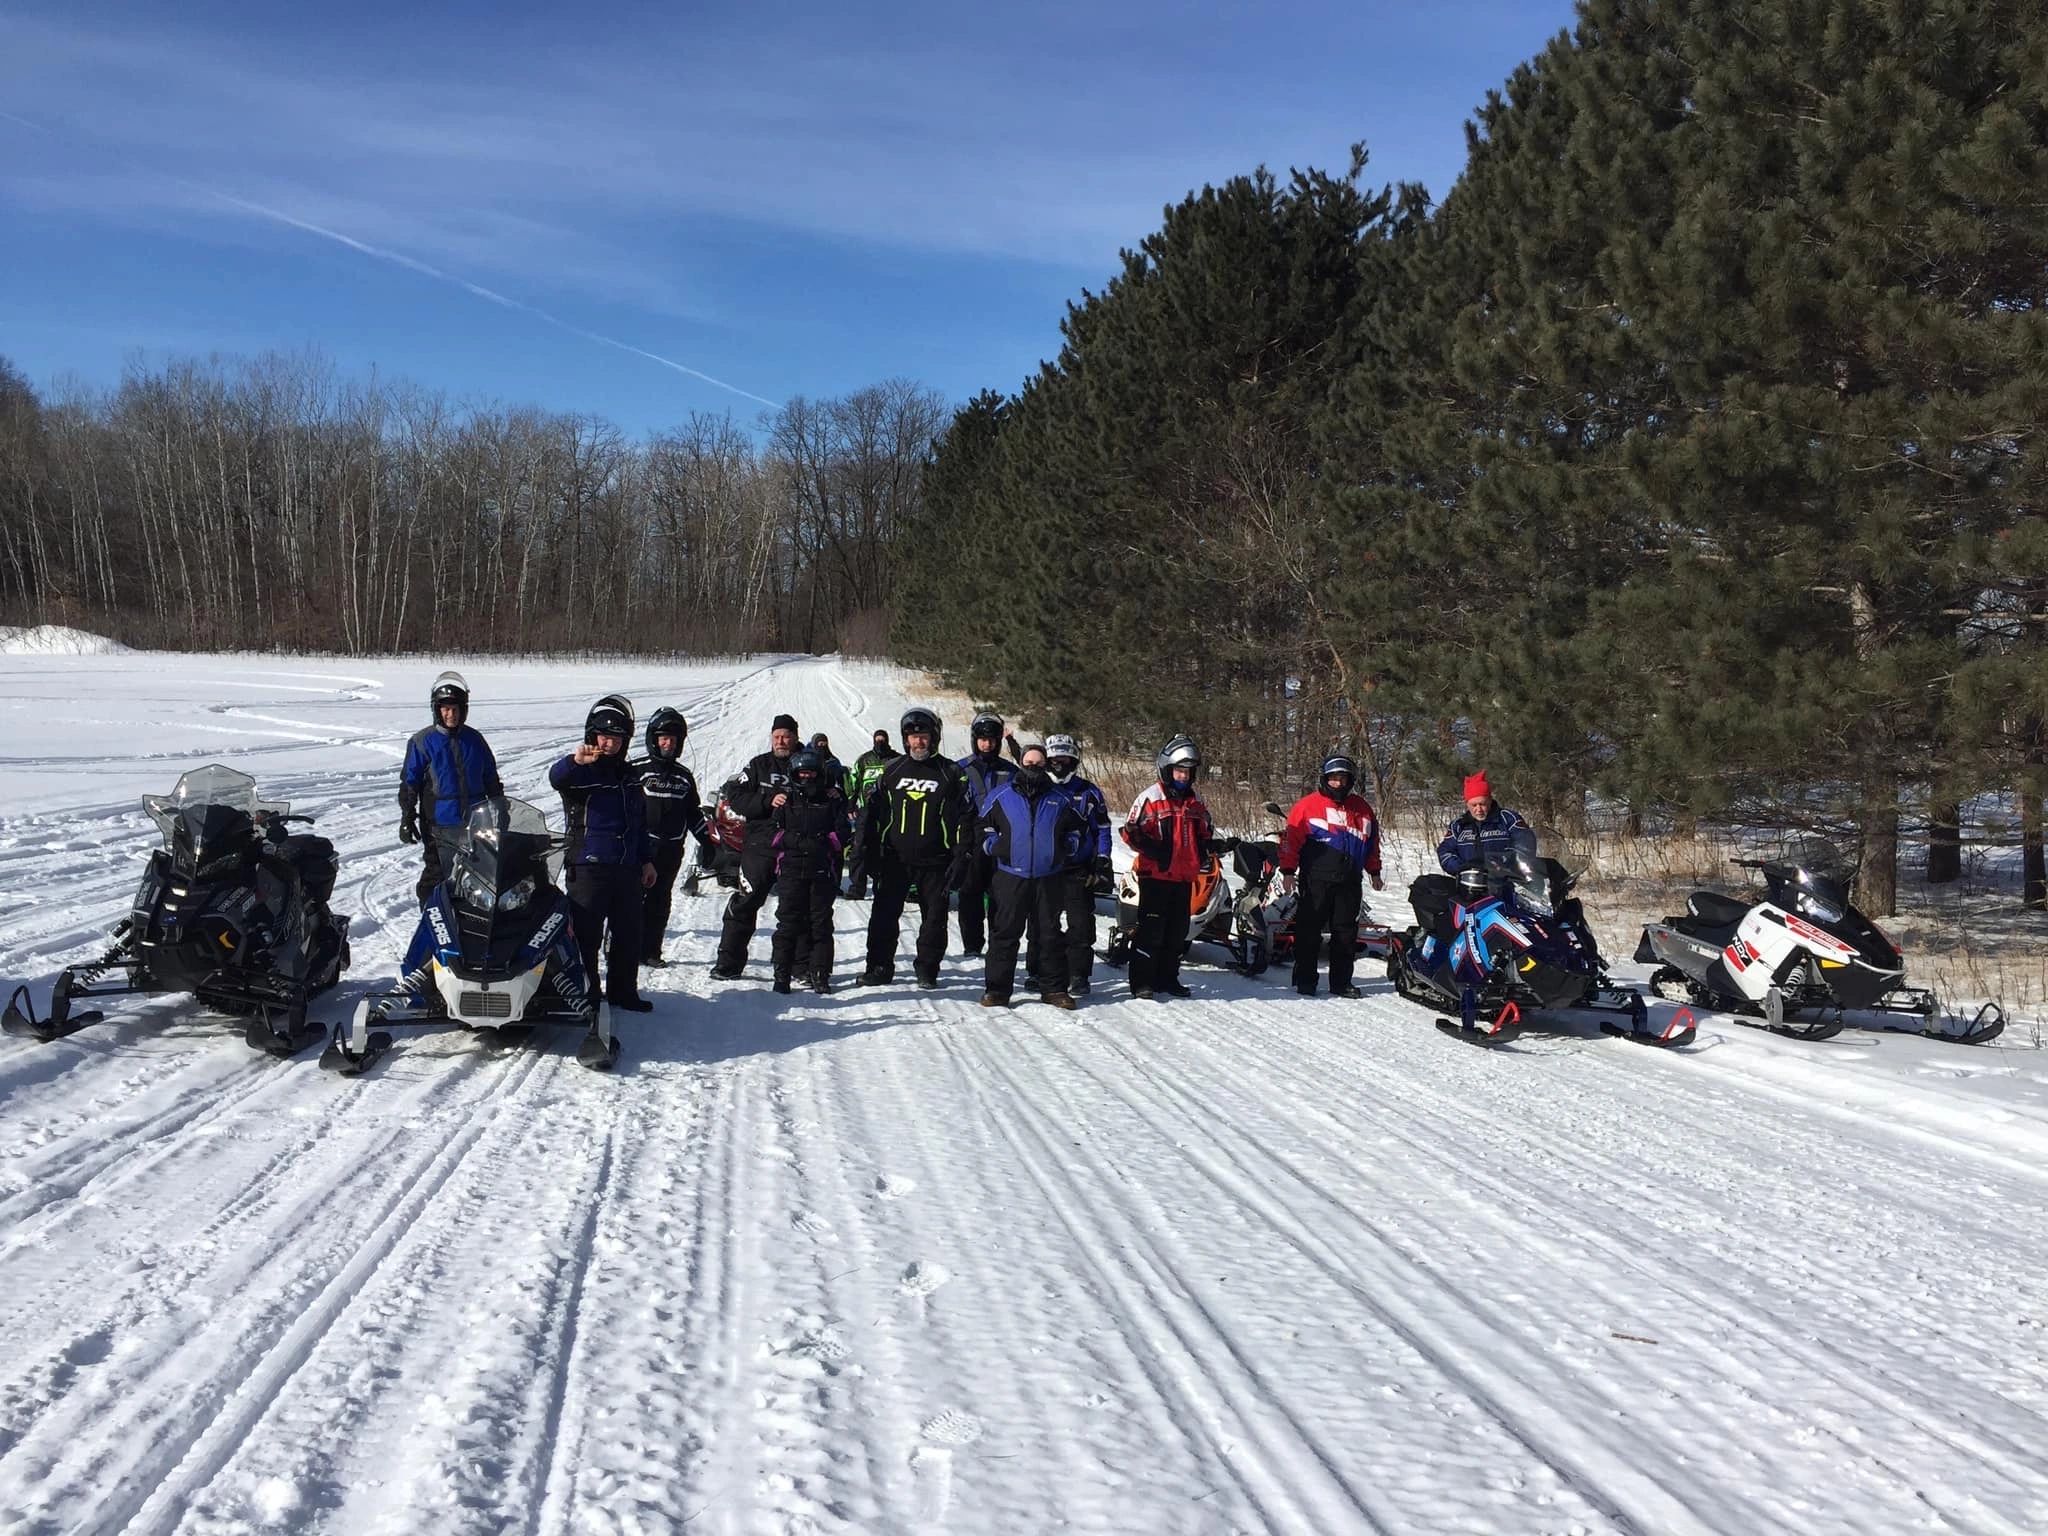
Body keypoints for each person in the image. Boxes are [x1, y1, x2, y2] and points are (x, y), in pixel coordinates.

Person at [549, 694, 657, 1011]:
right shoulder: (581, 773)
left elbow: (639, 823)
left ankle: (624, 992)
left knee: (628, 935)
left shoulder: (630, 775)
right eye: (604, 737)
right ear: (592, 736)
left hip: (626, 867)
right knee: (586, 937)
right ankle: (587, 994)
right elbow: (557, 777)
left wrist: (646, 859)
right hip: (588, 867)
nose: (609, 743)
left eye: (616, 738)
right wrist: (575, 761)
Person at [857, 708, 968, 988]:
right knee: (883, 916)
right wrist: (868, 852)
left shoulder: (952, 773)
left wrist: (960, 856)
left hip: (936, 861)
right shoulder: (891, 770)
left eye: (923, 737)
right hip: (895, 859)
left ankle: (927, 969)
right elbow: (873, 815)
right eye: (913, 737)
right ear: (905, 740)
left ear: (935, 738)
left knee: (934, 920)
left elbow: (967, 820)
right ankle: (879, 967)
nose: (918, 743)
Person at [978, 742, 1088, 1009]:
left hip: (1047, 876)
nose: (1033, 767)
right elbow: (981, 825)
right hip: (1010, 875)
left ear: (1046, 765)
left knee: (1049, 934)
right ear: (1021, 763)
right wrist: (994, 845)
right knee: (1005, 933)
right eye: (1029, 763)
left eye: (1039, 763)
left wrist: (1068, 848)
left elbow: (1077, 830)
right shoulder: (1001, 795)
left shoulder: (1059, 799)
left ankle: (1054, 989)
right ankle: (997, 990)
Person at [1277, 754, 1384, 999]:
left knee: (1345, 932)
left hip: (1349, 880)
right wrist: (1287, 871)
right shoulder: (1307, 805)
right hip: (1316, 879)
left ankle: (1341, 982)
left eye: (1343, 779)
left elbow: (1372, 843)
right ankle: (1305, 979)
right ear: (1325, 779)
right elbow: (1290, 842)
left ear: (1350, 780)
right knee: (1309, 931)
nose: (1338, 783)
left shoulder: (1362, 808)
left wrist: (1374, 870)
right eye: (1333, 779)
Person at [1120, 735, 1215, 1001]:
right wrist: (1153, 850)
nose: (1183, 777)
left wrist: (1210, 846)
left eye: (1188, 772)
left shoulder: (1196, 802)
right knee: (1151, 932)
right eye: (1179, 771)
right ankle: (1142, 982)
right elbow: (1129, 831)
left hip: (1185, 877)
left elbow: (1205, 831)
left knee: (1177, 933)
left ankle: (1168, 978)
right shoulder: (1150, 797)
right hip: (1156, 875)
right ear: (1167, 769)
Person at [398, 670, 504, 907]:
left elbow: (490, 777)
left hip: (477, 820)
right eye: (445, 709)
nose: (451, 714)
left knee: (481, 872)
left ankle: (474, 921)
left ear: (463, 710)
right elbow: (409, 783)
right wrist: (407, 815)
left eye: (455, 708)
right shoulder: (422, 742)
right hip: (439, 822)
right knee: (438, 874)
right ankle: (431, 915)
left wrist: (501, 807)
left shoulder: (475, 740)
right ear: (437, 710)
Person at [710, 714, 802, 979]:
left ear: (795, 737)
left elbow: (830, 791)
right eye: (776, 737)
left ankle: (795, 966)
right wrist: (766, 801)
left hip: (795, 845)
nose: (781, 741)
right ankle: (728, 963)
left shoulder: (808, 762)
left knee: (796, 905)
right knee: (745, 901)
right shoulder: (758, 765)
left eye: (785, 736)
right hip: (760, 844)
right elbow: (735, 797)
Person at [634, 705, 712, 967]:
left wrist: (708, 842)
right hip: (640, 848)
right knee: (630, 901)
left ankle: (651, 952)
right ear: (653, 740)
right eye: (663, 738)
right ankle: (621, 949)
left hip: (670, 850)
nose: (667, 744)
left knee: (660, 902)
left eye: (673, 739)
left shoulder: (684, 778)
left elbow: (693, 814)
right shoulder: (638, 772)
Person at [1414, 771, 1528, 945]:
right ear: (1467, 803)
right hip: (1469, 888)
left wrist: (1505, 862)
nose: (1478, 809)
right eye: (1473, 805)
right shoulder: (1459, 826)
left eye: (1482, 804)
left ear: (1490, 800)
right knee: (1451, 922)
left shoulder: (1508, 819)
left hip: (1505, 886)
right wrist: (1461, 868)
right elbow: (1445, 850)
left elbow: (1525, 841)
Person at [769, 749, 849, 994]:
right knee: (788, 924)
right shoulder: (786, 800)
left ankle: (820, 974)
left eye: (811, 774)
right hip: (792, 871)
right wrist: (795, 840)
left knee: (821, 925)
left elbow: (843, 832)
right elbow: (773, 834)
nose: (806, 779)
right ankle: (781, 974)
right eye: (802, 774)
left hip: (821, 872)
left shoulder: (831, 800)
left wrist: (821, 842)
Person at [1045, 734, 1111, 998]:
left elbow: (1103, 828)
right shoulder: (1038, 786)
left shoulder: (1089, 791)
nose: (1060, 764)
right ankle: (1042, 971)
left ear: (1074, 760)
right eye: (1055, 759)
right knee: (1043, 924)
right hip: (1045, 869)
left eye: (1066, 759)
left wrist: (1103, 859)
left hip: (1078, 869)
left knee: (1081, 925)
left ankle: (1079, 974)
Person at [955, 711, 1016, 956]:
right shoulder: (960, 768)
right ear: (974, 739)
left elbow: (1034, 772)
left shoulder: (1010, 771)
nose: (987, 744)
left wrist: (1015, 745)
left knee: (1000, 894)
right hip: (970, 836)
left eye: (991, 739)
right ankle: (972, 945)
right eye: (982, 739)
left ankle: (997, 941)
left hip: (1001, 837)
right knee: (969, 891)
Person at [844, 728, 896, 899]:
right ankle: (856, 888)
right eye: (877, 739)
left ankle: (882, 886)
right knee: (859, 848)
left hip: (890, 811)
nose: (880, 742)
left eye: (883, 739)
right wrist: (851, 802)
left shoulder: (896, 759)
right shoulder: (864, 759)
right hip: (866, 810)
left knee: (885, 848)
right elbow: (853, 780)